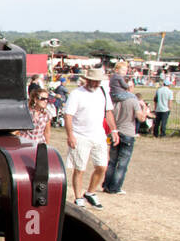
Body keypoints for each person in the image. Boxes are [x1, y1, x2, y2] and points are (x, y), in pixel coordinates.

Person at [63, 67, 118, 209]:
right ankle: (78, 197)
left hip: (98, 135)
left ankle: (91, 192)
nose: (95, 84)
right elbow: (68, 115)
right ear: (87, 80)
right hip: (80, 135)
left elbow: (108, 112)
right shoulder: (76, 94)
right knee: (80, 168)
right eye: (93, 81)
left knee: (102, 166)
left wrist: (114, 130)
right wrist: (70, 135)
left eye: (97, 81)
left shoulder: (103, 92)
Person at [104, 84, 150, 194]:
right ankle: (115, 187)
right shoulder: (133, 100)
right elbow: (141, 118)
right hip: (127, 132)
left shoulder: (114, 100)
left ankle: (106, 184)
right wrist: (144, 107)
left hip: (115, 131)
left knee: (112, 162)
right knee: (122, 163)